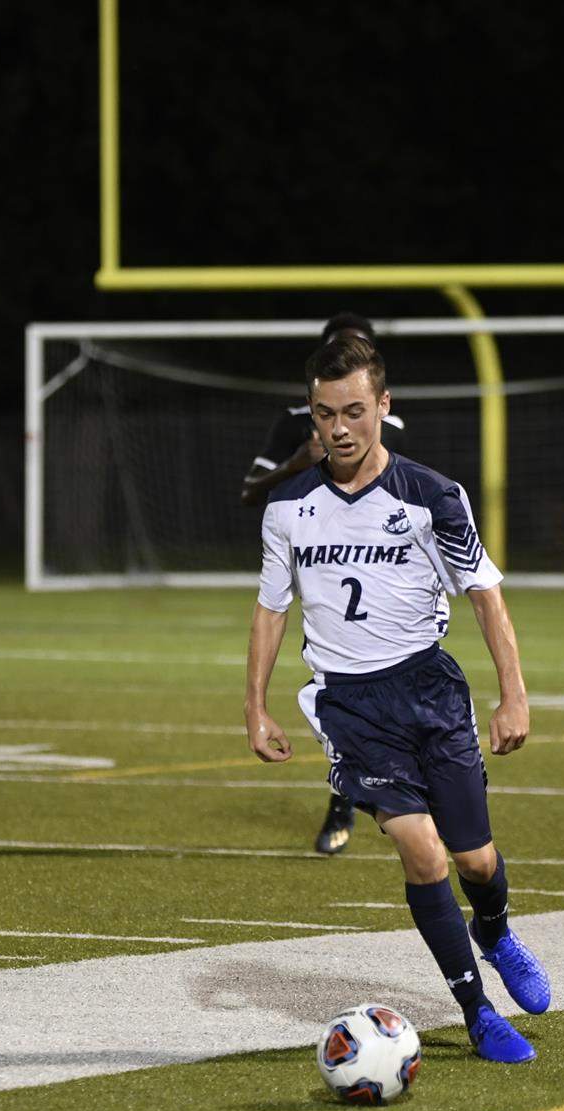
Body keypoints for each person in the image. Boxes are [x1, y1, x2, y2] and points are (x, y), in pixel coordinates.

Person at [243, 334, 549, 1063]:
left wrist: (515, 694)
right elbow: (270, 608)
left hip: (431, 693)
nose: (339, 428)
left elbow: (484, 593)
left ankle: (497, 930)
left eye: (353, 410)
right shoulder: (288, 508)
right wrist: (254, 704)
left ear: (384, 405)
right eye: (324, 414)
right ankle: (477, 1013)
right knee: (422, 851)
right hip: (352, 706)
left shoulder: (432, 496)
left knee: (476, 859)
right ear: (311, 415)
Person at [239, 313, 405, 856]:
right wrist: (295, 463)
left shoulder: (385, 423)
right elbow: (249, 491)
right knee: (343, 682)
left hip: (384, 572)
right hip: (320, 566)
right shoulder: (296, 421)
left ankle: (402, 799)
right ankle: (344, 802)